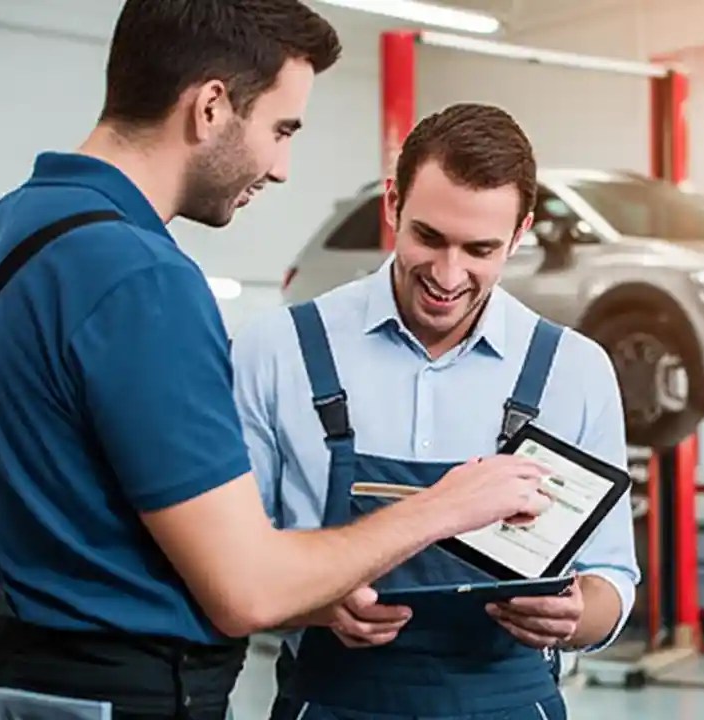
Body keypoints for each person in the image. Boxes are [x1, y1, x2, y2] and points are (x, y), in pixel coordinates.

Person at [0, 4, 551, 719]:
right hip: (125, 697)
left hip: (8, 686)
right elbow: (246, 592)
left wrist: (318, 588)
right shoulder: (141, 278)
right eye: (282, 129)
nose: (282, 168)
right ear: (212, 107)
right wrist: (445, 507)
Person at [229, 102, 641, 720]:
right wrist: (313, 604)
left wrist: (579, 613)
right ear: (393, 205)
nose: (448, 275)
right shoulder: (279, 351)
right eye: (428, 237)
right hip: (332, 702)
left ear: (520, 233)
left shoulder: (573, 372)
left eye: (480, 249)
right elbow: (232, 563)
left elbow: (612, 574)